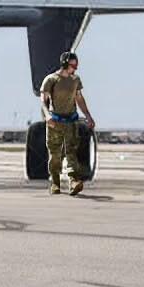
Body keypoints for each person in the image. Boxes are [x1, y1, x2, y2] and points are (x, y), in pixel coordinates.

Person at [39, 51, 95, 196]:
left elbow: (79, 99)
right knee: (55, 154)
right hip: (54, 122)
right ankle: (55, 183)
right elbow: (43, 100)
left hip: (71, 121)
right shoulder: (50, 80)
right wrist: (47, 116)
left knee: (71, 152)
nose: (75, 68)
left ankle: (73, 182)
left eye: (76, 65)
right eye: (72, 65)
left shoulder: (75, 80)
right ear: (64, 64)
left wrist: (88, 116)